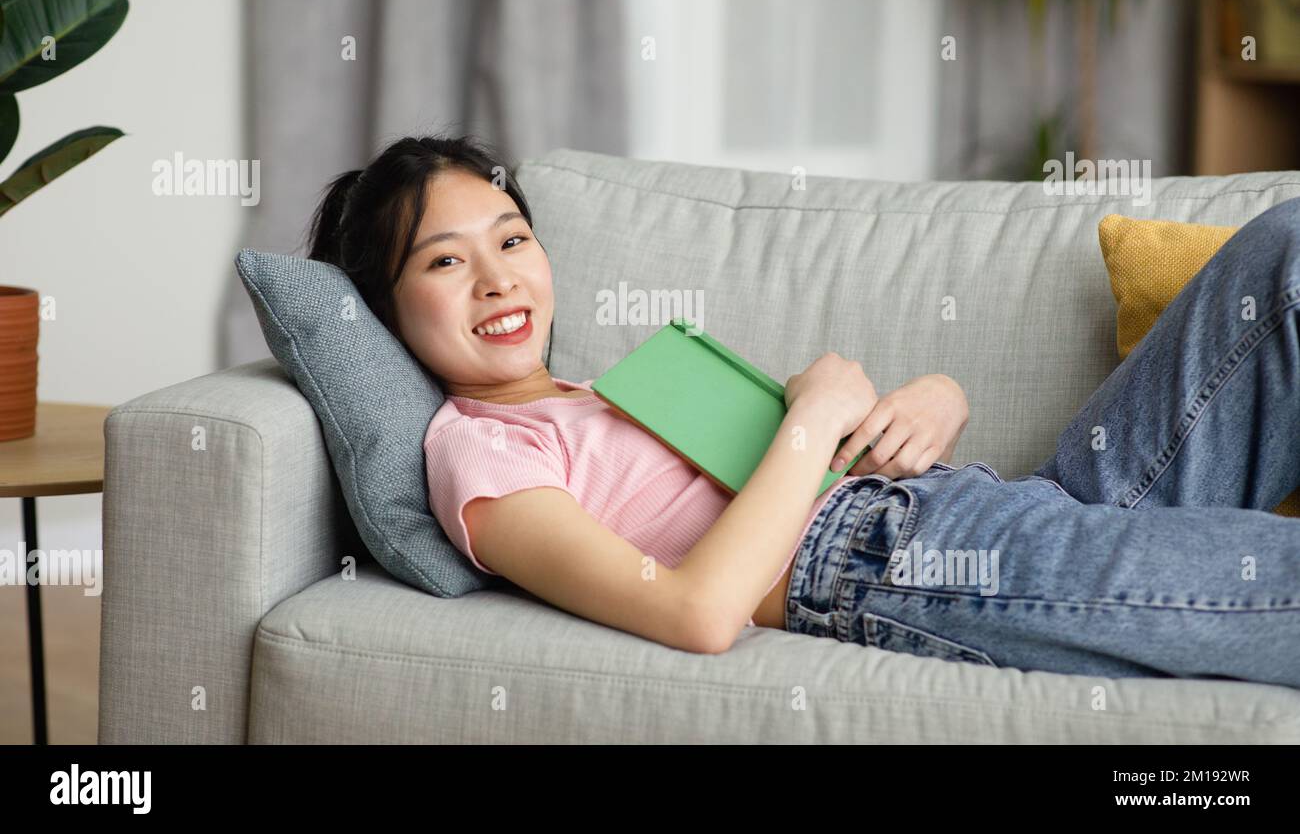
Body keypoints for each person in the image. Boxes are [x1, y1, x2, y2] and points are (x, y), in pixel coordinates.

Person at [306, 133, 1300, 688]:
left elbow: (811, 465)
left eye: (511, 238)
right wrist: (810, 418)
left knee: (1285, 250)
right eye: (444, 260)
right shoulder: (476, 451)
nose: (494, 277)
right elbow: (696, 609)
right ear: (382, 307)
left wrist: (933, 398)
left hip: (988, 502)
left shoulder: (603, 388)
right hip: (888, 566)